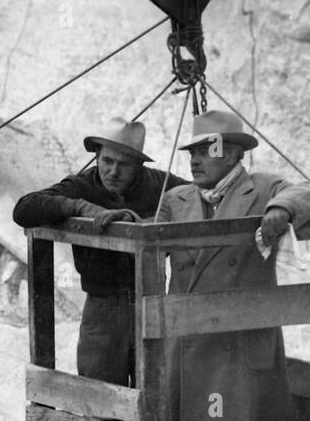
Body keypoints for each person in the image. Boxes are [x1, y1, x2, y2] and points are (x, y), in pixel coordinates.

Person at [155, 110, 310, 421]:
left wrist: (281, 209)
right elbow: (149, 243)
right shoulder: (177, 198)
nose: (195, 160)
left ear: (232, 154)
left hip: (238, 343)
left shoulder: (262, 189)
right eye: (191, 152)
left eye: (206, 150)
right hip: (186, 340)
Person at [13, 121, 189, 385]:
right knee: (100, 399)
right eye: (107, 160)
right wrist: (80, 207)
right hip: (102, 310)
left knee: (158, 398)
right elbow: (24, 209)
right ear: (96, 157)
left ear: (139, 166)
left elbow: (202, 195)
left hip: (152, 305)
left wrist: (148, 221)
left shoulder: (159, 184)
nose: (113, 171)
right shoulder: (81, 185)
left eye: (124, 164)